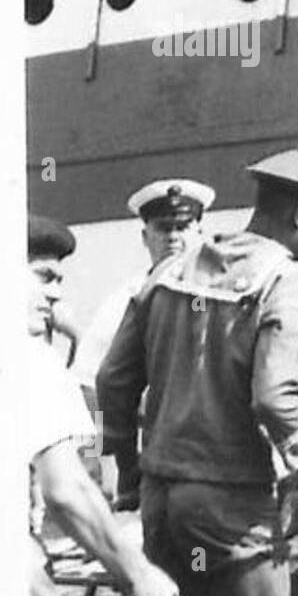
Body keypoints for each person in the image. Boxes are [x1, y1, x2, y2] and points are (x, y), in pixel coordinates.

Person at [96, 149, 298, 596]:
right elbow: (276, 397)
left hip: (163, 505)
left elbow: (112, 380)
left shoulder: (169, 271)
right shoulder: (284, 280)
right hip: (231, 512)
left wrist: (126, 472)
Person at [25, 215, 179, 596]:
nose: (58, 290)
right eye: (43, 277)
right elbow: (65, 486)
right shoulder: (25, 356)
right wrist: (135, 573)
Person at [77, 178, 215, 508]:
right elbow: (94, 381)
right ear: (145, 236)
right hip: (157, 452)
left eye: (183, 227)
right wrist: (118, 459)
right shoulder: (128, 298)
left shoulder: (223, 292)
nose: (173, 238)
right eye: (163, 228)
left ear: (199, 232)